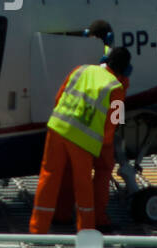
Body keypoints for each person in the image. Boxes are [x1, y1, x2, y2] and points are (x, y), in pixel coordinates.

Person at [30, 48, 131, 234]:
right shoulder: (116, 88)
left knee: (49, 176)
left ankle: (38, 228)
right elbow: (113, 126)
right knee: (83, 184)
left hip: (57, 127)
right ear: (125, 71)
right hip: (81, 139)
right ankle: (86, 229)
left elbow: (58, 98)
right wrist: (104, 149)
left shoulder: (81, 70)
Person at [56, 20, 123, 229]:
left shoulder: (78, 57)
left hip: (73, 128)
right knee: (101, 175)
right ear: (109, 38)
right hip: (102, 135)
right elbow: (117, 109)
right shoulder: (115, 63)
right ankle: (97, 220)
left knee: (69, 173)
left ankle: (62, 214)